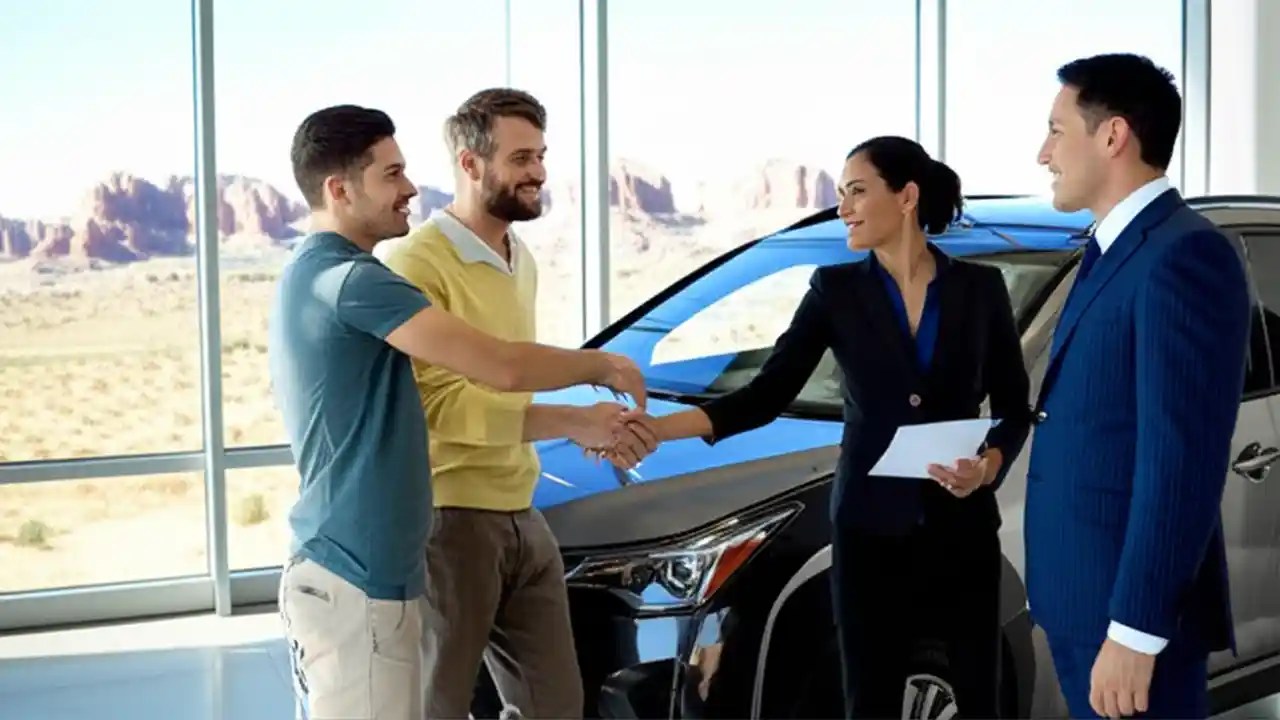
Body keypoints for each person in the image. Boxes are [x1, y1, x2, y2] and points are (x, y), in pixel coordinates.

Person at [606, 136, 1032, 718]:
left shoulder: (979, 290)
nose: (844, 209)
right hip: (868, 532)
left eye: (858, 192)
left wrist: (988, 466)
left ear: (907, 197)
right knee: (870, 697)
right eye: (840, 195)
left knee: (980, 694)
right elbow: (764, 394)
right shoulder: (836, 291)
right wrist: (658, 428)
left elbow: (1013, 403)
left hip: (962, 532)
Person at [268, 103, 646, 720]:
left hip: (375, 567)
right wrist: (597, 369)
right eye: (391, 174)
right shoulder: (356, 281)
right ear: (339, 190)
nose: (411, 187)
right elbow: (497, 368)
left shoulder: (326, 274)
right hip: (359, 571)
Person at [376, 88, 654, 720]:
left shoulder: (515, 255)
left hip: (523, 513)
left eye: (541, 155)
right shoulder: (418, 264)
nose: (539, 172)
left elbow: (512, 371)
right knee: (437, 706)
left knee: (555, 706)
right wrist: (574, 416)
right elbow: (440, 405)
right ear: (470, 165)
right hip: (452, 522)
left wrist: (585, 420)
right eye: (521, 157)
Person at [1026, 53, 1251, 719]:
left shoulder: (1183, 254)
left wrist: (1135, 628)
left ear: (1114, 135)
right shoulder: (1111, 252)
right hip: (1083, 605)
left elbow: (1179, 461)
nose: (1044, 152)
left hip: (1128, 624)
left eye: (1056, 130)